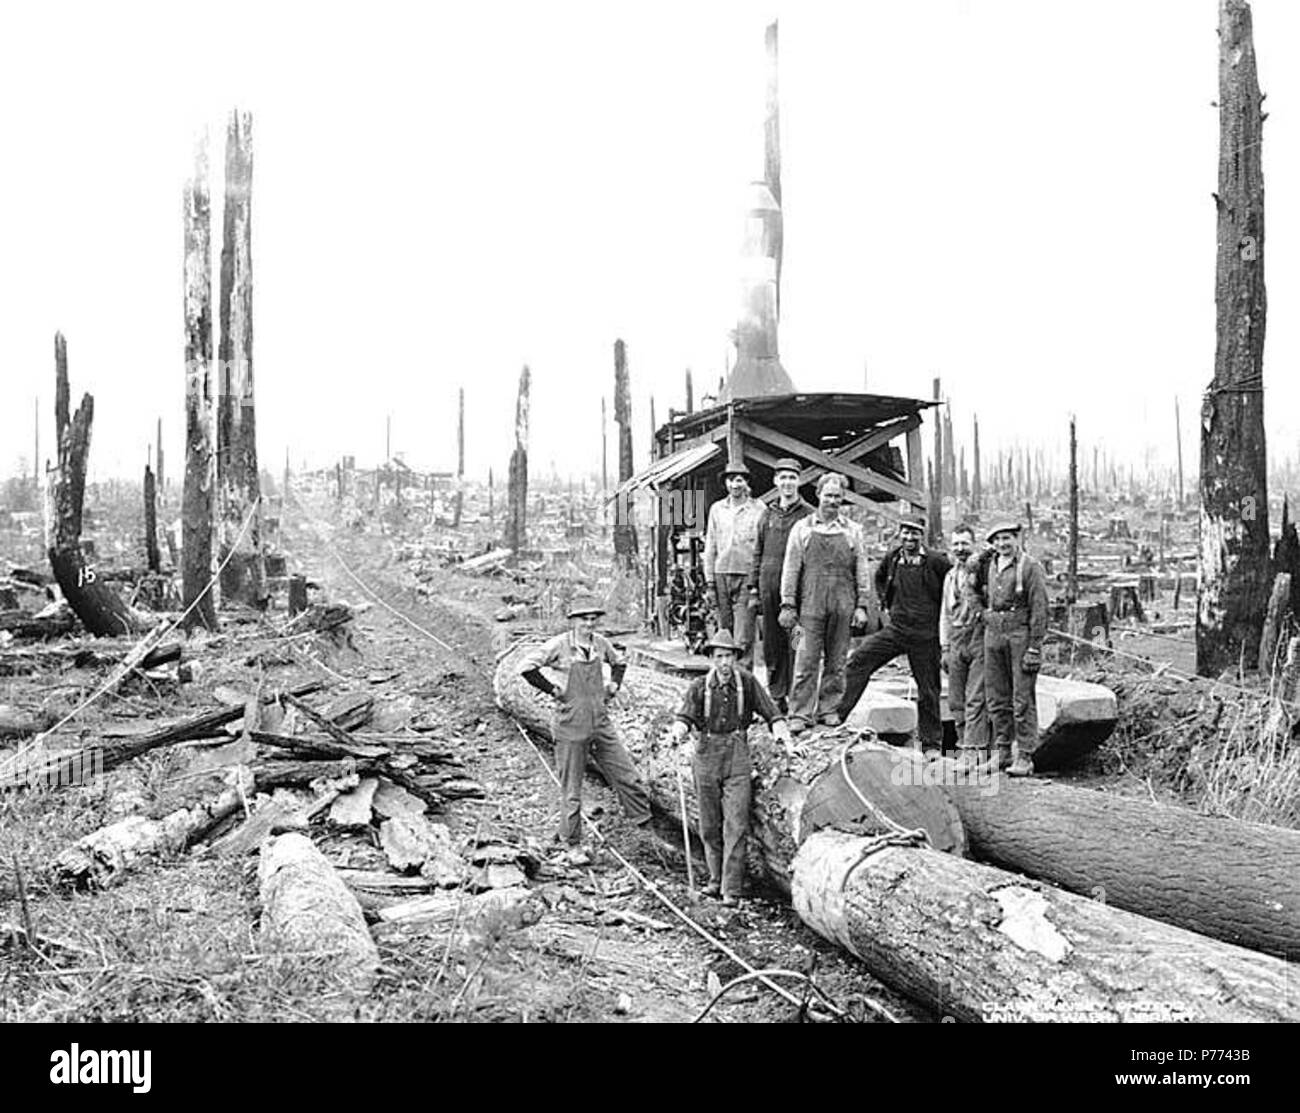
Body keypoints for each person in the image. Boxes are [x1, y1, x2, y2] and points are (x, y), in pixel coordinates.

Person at [668, 630, 793, 904]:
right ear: (712, 658)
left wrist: (786, 738)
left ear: (736, 658)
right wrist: (677, 733)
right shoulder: (699, 687)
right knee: (710, 826)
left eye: (730, 657)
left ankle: (731, 889)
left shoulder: (746, 683)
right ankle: (714, 880)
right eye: (720, 657)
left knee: (736, 824)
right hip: (706, 756)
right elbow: (684, 716)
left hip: (737, 755)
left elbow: (772, 713)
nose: (725, 663)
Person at [518, 597, 653, 849]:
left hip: (600, 722)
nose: (589, 624)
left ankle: (644, 831)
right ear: (573, 621)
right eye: (583, 619)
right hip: (571, 725)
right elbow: (526, 667)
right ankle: (571, 842)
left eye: (593, 619)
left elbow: (619, 662)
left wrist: (614, 684)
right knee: (572, 790)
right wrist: (552, 689)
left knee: (627, 775)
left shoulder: (600, 644)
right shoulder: (559, 645)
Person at [837, 513, 951, 751]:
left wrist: (942, 630)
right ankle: (836, 718)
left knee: (928, 690)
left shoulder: (936, 561)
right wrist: (886, 606)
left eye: (915, 532)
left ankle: (931, 745)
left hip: (925, 635)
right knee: (858, 661)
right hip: (897, 629)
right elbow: (880, 580)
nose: (910, 537)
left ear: (923, 535)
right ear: (900, 534)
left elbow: (948, 590)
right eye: (906, 532)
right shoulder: (892, 559)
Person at [779, 473, 873, 733]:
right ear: (818, 494)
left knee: (838, 660)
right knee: (803, 656)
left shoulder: (853, 530)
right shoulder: (802, 528)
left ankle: (829, 709)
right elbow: (790, 569)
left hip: (843, 606)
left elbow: (861, 570)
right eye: (828, 495)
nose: (833, 500)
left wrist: (861, 605)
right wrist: (787, 604)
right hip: (808, 607)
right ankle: (799, 712)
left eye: (838, 496)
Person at [974, 520, 1050, 776]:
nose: (1002, 544)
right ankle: (1003, 752)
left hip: (1020, 634)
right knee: (996, 696)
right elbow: (972, 590)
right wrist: (981, 613)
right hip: (993, 633)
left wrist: (1035, 647)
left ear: (1016, 539)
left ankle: (1026, 756)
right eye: (997, 540)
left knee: (1022, 698)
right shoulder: (990, 565)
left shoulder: (1030, 567)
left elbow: (1039, 609)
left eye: (1006, 538)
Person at [747, 456, 814, 713]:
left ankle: (799, 695)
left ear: (799, 481)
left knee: (799, 642)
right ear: (776, 481)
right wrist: (754, 588)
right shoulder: (767, 514)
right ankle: (777, 696)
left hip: (799, 591)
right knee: (773, 645)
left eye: (792, 478)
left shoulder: (808, 515)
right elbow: (757, 551)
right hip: (769, 588)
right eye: (783, 477)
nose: (787, 483)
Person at [703, 460, 765, 668]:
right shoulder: (717, 509)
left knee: (743, 636)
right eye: (731, 480)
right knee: (724, 634)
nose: (735, 485)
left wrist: (757, 582)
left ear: (746, 483)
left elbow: (763, 546)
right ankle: (725, 681)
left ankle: (744, 681)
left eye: (739, 480)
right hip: (721, 575)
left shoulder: (758, 509)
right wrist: (710, 583)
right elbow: (710, 546)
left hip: (747, 576)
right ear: (726, 484)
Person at [940, 525, 989, 763]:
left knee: (976, 698)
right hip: (956, 639)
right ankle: (961, 746)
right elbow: (944, 614)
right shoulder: (950, 576)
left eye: (965, 544)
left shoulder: (983, 572)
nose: (960, 549)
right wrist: (945, 646)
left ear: (973, 545)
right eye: (956, 544)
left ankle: (975, 751)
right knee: (956, 700)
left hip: (978, 636)